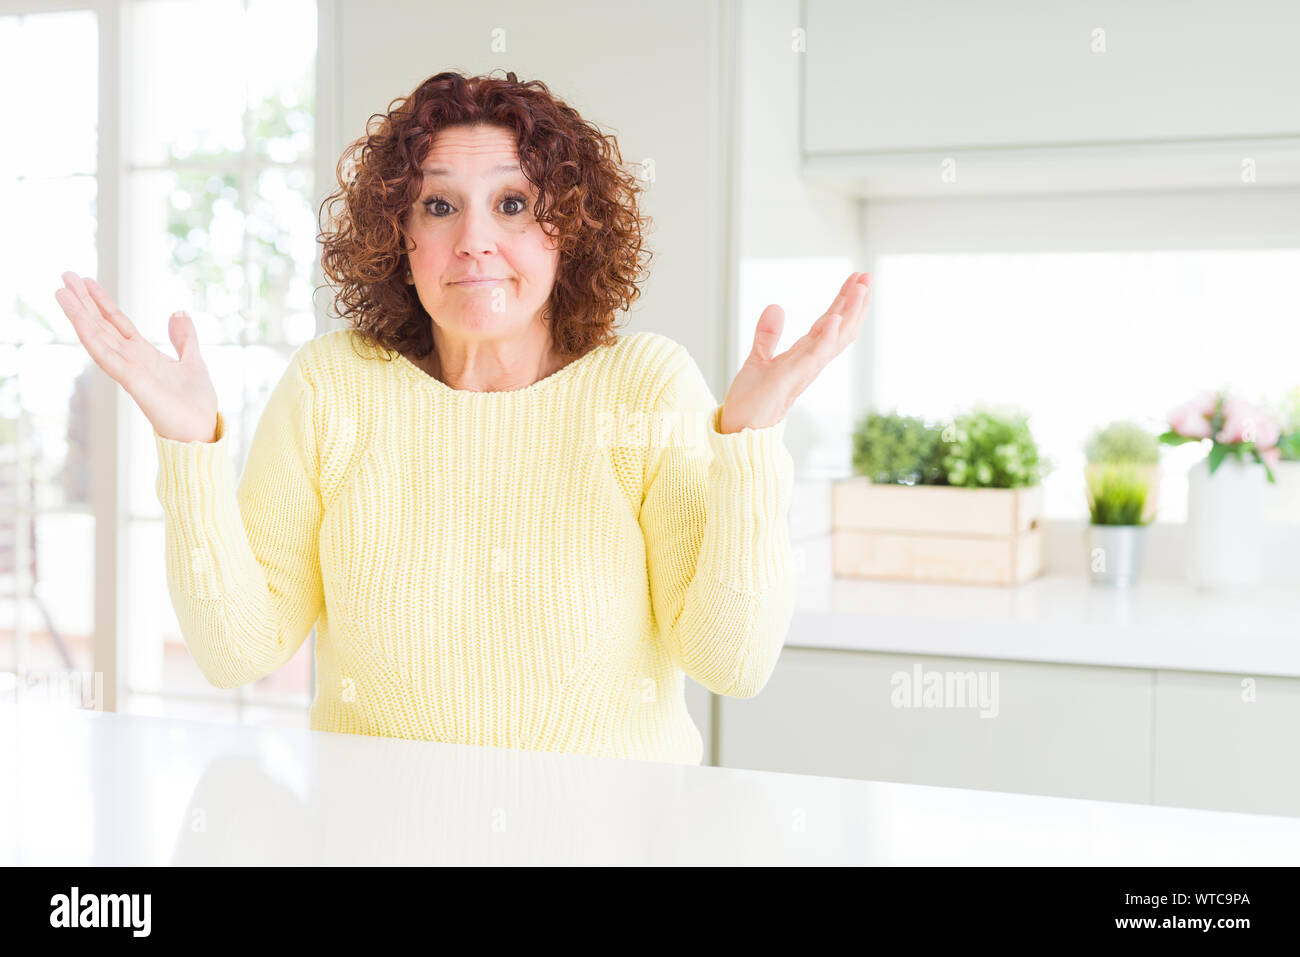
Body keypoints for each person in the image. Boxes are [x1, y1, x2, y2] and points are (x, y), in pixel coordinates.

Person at [53, 70, 870, 765]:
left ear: (569, 231)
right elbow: (236, 649)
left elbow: (732, 660)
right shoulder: (332, 388)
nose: (474, 240)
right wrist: (189, 445)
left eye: (513, 203)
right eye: (439, 207)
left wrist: (753, 444)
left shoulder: (645, 388)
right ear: (399, 235)